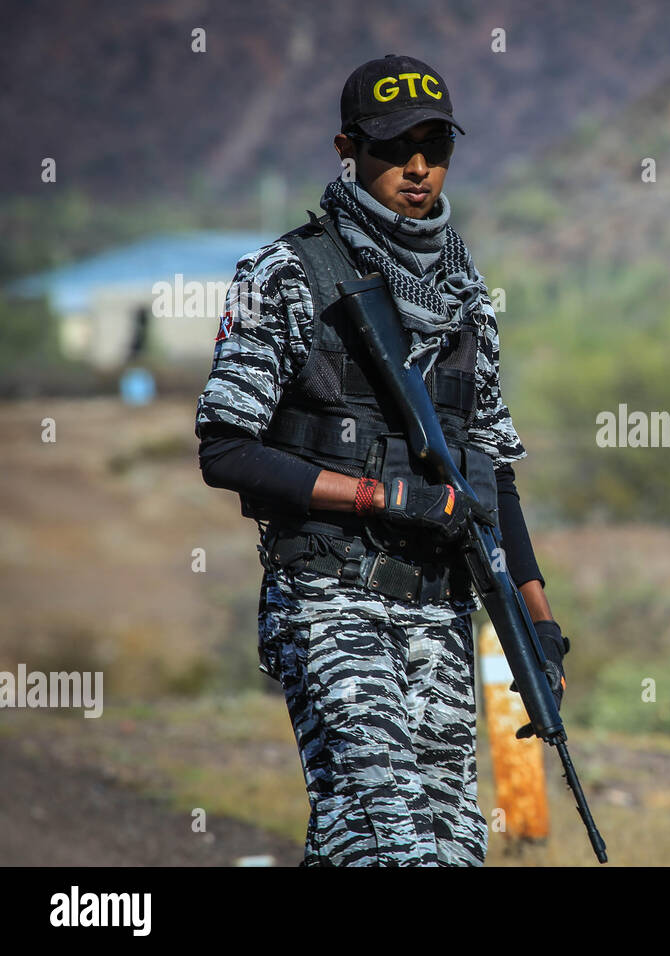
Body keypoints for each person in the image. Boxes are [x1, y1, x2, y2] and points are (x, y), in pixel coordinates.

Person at [194, 53, 570, 867]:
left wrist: (540, 627)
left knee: (448, 847)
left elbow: (492, 471)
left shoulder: (467, 298)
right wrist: (377, 497)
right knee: (383, 839)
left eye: (436, 146)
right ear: (348, 148)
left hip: (438, 606)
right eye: (396, 146)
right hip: (327, 595)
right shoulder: (288, 276)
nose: (417, 166)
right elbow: (225, 449)